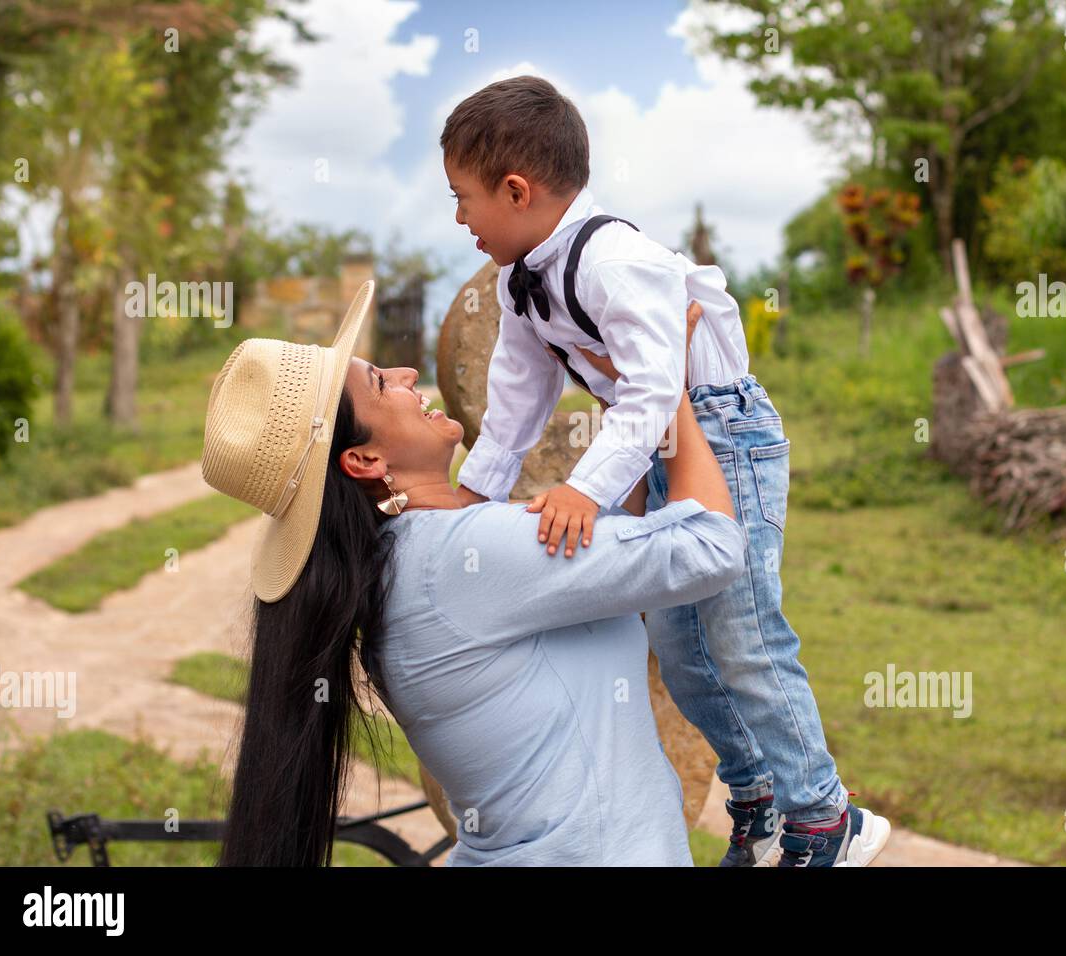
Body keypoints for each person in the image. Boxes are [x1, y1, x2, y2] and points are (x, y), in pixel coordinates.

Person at [441, 75, 892, 866]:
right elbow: (515, 402)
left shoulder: (615, 262)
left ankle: (826, 817)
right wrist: (468, 497)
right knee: (679, 646)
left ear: (515, 190)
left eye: (463, 198)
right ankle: (753, 798)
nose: (459, 220)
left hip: (724, 429)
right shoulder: (522, 286)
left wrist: (586, 487)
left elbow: (655, 388)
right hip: (661, 443)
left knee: (743, 633)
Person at [201, 280, 746, 866]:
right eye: (382, 383)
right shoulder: (463, 557)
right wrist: (671, 391)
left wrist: (632, 396)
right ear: (364, 461)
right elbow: (708, 546)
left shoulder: (411, 563)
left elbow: (617, 537)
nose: (408, 374)